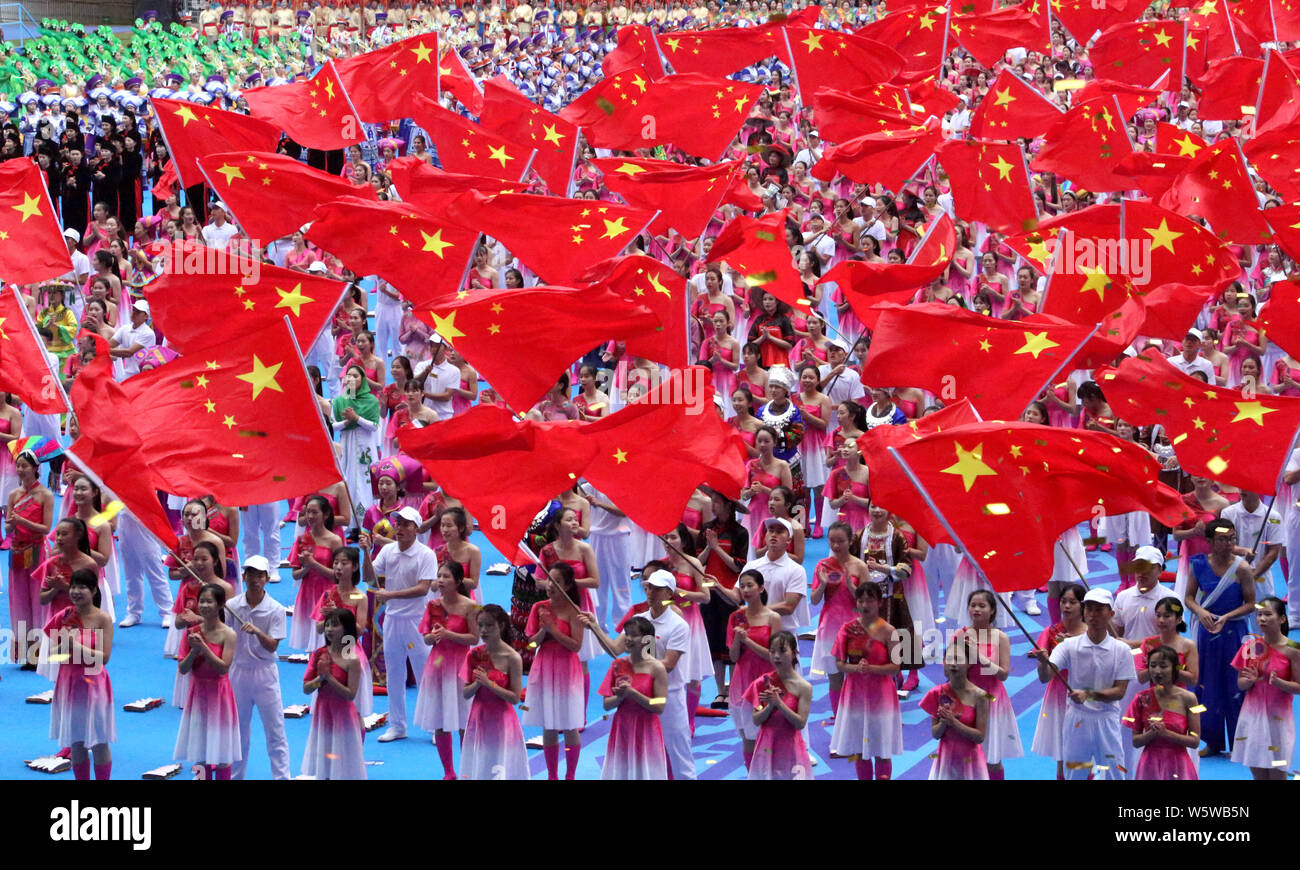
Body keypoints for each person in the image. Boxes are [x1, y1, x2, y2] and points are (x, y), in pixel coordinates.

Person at [581, 567, 696, 779]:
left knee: (679, 754)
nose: (650, 592)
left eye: (657, 589)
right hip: (637, 698)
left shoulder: (678, 626)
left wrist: (637, 668)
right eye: (648, 587)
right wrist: (595, 627)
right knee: (640, 755)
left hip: (668, 697)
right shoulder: (638, 620)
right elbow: (616, 649)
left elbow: (669, 664)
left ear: (669, 594)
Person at [1048, 588, 1137, 780]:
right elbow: (1046, 675)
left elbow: (1119, 691)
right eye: (1089, 609)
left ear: (1111, 614)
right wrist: (1042, 662)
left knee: (1114, 774)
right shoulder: (1068, 646)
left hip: (1107, 720)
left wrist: (1088, 694)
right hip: (1077, 721)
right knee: (1075, 774)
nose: (1093, 615)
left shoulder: (1121, 650)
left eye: (1099, 609)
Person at [1185, 517, 1256, 757]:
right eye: (1222, 539)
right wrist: (1202, 611)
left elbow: (1251, 604)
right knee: (1208, 684)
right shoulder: (1198, 565)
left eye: (1231, 539)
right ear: (1209, 541)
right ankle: (1212, 741)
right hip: (1207, 631)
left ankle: (1240, 741)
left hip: (1234, 632)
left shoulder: (1243, 568)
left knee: (1235, 684)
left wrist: (1227, 616)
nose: (1227, 544)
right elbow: (1189, 598)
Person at [366, 505, 438, 743]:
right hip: (392, 621)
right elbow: (368, 577)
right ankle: (397, 725)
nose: (400, 528)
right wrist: (366, 552)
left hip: (417, 621)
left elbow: (423, 588)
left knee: (423, 674)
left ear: (416, 529)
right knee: (394, 674)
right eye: (398, 524)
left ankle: (435, 726)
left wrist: (391, 596)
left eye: (406, 524)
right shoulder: (387, 551)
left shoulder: (426, 554)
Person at [45, 569, 114, 779]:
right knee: (76, 741)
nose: (76, 591)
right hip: (69, 683)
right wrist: (62, 648)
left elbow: (104, 658)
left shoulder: (103, 619)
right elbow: (51, 656)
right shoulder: (63, 616)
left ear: (94, 590)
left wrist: (74, 646)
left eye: (82, 587)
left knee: (100, 741)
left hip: (94, 684)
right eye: (73, 587)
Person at [227, 555, 291, 781]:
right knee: (238, 731)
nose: (255, 579)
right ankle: (236, 776)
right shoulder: (232, 606)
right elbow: (225, 636)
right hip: (238, 673)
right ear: (243, 577)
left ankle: (281, 777)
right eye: (251, 574)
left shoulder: (276, 610)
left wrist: (257, 632)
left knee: (275, 730)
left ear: (266, 578)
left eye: (260, 575)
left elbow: (273, 644)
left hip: (265, 674)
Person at [414, 560, 479, 779]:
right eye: (439, 576)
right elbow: (424, 637)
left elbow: (474, 637)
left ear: (458, 581)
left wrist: (448, 635)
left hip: (460, 667)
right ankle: (449, 772)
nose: (440, 581)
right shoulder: (432, 606)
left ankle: (467, 771)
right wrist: (431, 637)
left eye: (446, 577)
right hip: (437, 668)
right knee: (441, 722)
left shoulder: (470, 606)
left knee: (464, 722)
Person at [831, 583, 903, 779]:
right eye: (861, 600)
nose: (865, 605)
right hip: (854, 694)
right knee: (858, 750)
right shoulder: (847, 629)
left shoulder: (890, 631)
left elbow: (896, 667)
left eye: (870, 600)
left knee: (881, 750)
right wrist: (856, 668)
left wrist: (872, 669)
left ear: (879, 602)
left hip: (881, 697)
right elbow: (839, 664)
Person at [524, 561, 587, 779]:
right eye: (549, 580)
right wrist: (542, 633)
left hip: (566, 669)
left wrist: (553, 630)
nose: (550, 585)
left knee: (569, 726)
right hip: (544, 667)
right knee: (548, 726)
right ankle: (552, 775)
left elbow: (576, 646)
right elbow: (531, 645)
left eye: (557, 581)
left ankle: (570, 774)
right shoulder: (538, 607)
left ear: (568, 585)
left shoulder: (574, 610)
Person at [174, 584, 240, 780]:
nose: (203, 605)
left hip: (220, 696)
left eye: (209, 601)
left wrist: (203, 647)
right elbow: (183, 669)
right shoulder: (191, 633)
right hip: (198, 694)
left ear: (220, 605)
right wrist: (194, 651)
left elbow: (223, 668)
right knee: (199, 751)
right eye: (201, 601)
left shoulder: (228, 634)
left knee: (221, 751)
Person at [954, 589, 1022, 778]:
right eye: (973, 605)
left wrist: (982, 659)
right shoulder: (960, 635)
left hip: (993, 701)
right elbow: (950, 672)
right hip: (967, 701)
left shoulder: (1001, 637)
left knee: (992, 758)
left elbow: (1003, 675)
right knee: (967, 757)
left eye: (982, 606)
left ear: (992, 610)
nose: (976, 609)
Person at [1230, 597, 1300, 779]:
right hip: (1252, 719)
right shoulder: (1251, 646)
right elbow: (1240, 684)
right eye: (1259, 614)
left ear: (1282, 619)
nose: (1262, 619)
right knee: (1259, 776)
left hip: (1278, 721)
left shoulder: (1294, 648)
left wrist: (1280, 683)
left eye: (1268, 614)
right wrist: (1250, 681)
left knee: (1278, 775)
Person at [460, 604, 528, 780]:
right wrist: (477, 684)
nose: (483, 630)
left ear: (501, 626)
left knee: (500, 768)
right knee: (480, 766)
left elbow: (514, 698)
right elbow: (465, 693)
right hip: (479, 717)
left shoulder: (513, 658)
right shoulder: (473, 655)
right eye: (480, 625)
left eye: (489, 625)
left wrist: (491, 684)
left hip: (502, 721)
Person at [599, 615, 670, 780]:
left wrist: (633, 694)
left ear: (647, 640)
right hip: (622, 727)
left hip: (646, 729)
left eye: (634, 635)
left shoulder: (657, 668)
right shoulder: (617, 665)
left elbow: (659, 706)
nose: (628, 639)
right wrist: (620, 698)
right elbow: (606, 705)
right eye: (626, 634)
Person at [1029, 583, 1087, 780]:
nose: (1067, 606)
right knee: (1062, 753)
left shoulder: (1092, 635)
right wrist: (1043, 662)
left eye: (1073, 602)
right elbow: (1044, 678)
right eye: (1063, 602)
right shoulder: (1051, 632)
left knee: (1083, 751)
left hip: (1084, 696)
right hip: (1058, 696)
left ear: (1083, 606)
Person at [726, 569, 783, 767]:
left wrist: (747, 640)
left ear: (761, 588)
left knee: (769, 733)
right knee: (747, 737)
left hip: (766, 681)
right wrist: (737, 641)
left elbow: (774, 656)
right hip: (742, 681)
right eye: (742, 586)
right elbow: (733, 657)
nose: (746, 590)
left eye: (750, 585)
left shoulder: (773, 618)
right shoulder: (735, 617)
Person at [809, 521, 867, 716]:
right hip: (830, 626)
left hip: (855, 628)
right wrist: (823, 585)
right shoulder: (822, 565)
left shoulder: (860, 567)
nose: (835, 546)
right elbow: (815, 600)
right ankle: (838, 717)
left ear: (850, 541)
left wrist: (853, 589)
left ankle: (855, 717)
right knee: (834, 677)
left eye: (840, 541)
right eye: (832, 541)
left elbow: (869, 604)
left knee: (857, 675)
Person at [302, 608, 366, 780]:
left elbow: (350, 694)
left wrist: (328, 678)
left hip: (343, 715)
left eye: (335, 625)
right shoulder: (318, 654)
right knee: (325, 758)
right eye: (328, 625)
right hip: (323, 714)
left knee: (343, 764)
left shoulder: (352, 659)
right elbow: (306, 688)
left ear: (346, 629)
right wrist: (319, 679)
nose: (329, 629)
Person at [1125, 645, 1201, 780]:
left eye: (1163, 666)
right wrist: (1151, 734)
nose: (1157, 671)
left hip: (1178, 765)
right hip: (1149, 766)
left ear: (1175, 669)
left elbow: (1195, 741)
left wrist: (1167, 734)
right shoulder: (1141, 699)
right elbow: (1136, 742)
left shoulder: (1189, 698)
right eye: (1152, 666)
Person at [6, 449, 53, 666]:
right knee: (20, 601)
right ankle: (26, 652)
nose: (20, 470)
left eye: (25, 466)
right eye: (18, 466)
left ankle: (39, 652)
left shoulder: (45, 495)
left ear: (35, 468)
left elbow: (45, 528)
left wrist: (22, 522)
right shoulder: (14, 495)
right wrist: (11, 525)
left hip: (36, 551)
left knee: (37, 601)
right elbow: (8, 526)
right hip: (17, 551)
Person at [746, 630, 814, 780]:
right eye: (772, 651)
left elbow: (800, 723)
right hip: (767, 745)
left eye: (782, 651)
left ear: (795, 652)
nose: (776, 656)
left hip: (790, 747)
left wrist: (779, 703)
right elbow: (756, 719)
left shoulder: (804, 687)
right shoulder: (762, 683)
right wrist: (770, 706)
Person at [918, 641, 990, 780]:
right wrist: (944, 723)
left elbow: (980, 737)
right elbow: (935, 734)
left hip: (971, 762)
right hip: (946, 761)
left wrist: (954, 723)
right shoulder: (937, 693)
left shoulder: (981, 696)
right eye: (949, 659)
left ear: (969, 663)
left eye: (958, 659)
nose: (953, 663)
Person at [289, 495, 343, 651]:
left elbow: (338, 575)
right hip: (307, 593)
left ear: (325, 515)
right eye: (308, 513)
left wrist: (313, 564)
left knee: (326, 643)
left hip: (327, 594)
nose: (310, 517)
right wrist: (306, 567)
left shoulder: (335, 540)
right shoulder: (302, 539)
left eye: (315, 512)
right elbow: (295, 574)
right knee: (311, 645)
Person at [741, 517, 810, 635]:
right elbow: (736, 595)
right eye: (771, 530)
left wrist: (757, 611)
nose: (774, 535)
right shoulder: (751, 566)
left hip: (784, 634)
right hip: (754, 631)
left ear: (788, 540)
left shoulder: (797, 570)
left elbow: (789, 606)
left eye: (779, 532)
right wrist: (718, 587)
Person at [333, 364, 382, 512]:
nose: (351, 379)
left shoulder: (371, 401)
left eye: (355, 376)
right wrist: (347, 422)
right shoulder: (339, 401)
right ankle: (351, 519)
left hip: (365, 445)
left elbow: (374, 426)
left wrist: (357, 418)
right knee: (349, 480)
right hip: (346, 445)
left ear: (363, 379)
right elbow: (332, 426)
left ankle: (368, 515)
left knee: (365, 479)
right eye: (349, 376)